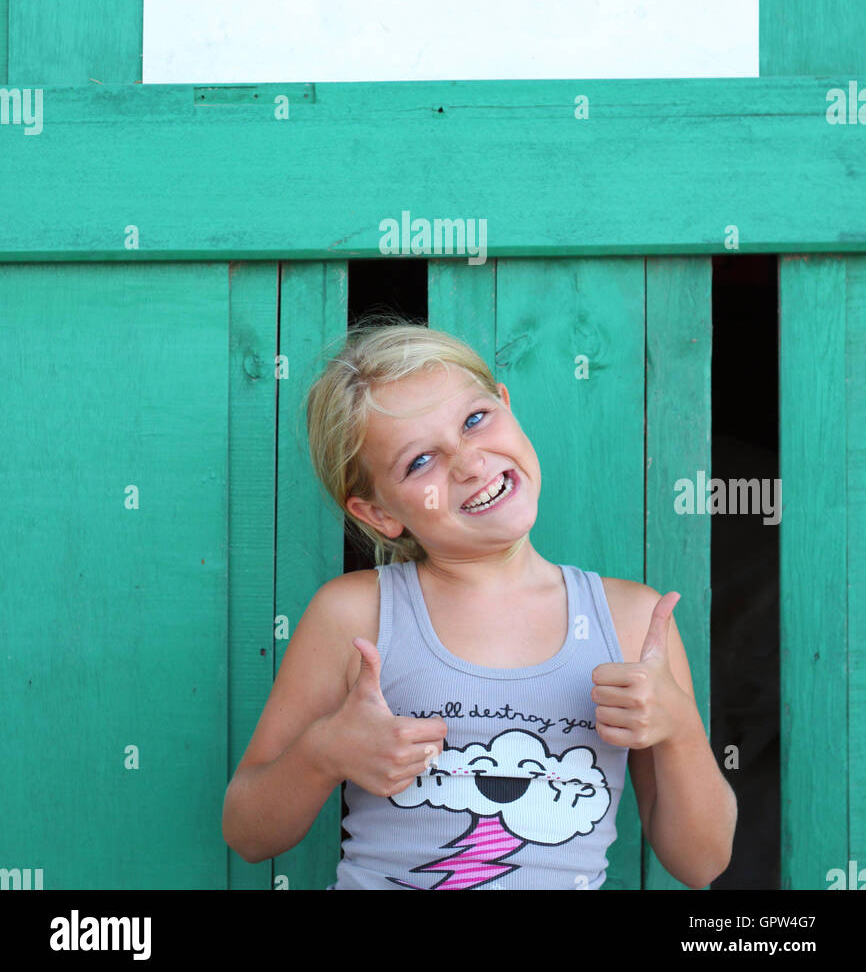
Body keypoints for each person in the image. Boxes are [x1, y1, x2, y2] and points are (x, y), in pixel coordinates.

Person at [222, 318, 737, 890]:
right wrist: (325, 753)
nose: (469, 463)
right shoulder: (355, 616)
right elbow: (248, 832)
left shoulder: (633, 622)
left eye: (474, 420)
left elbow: (702, 863)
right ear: (379, 515)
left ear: (507, 407)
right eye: (420, 462)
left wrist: (680, 729)